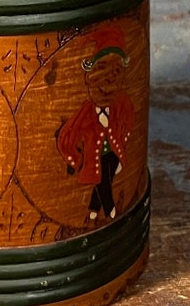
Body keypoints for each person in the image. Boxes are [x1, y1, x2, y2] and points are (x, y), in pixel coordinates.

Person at [56, 24, 134, 222]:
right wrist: (76, 158)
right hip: (94, 156)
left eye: (115, 73)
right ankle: (109, 210)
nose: (108, 81)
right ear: (90, 79)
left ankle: (93, 208)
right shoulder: (86, 112)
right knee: (103, 182)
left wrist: (123, 139)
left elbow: (130, 117)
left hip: (114, 153)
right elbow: (69, 134)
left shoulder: (119, 103)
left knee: (102, 181)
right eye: (101, 72)